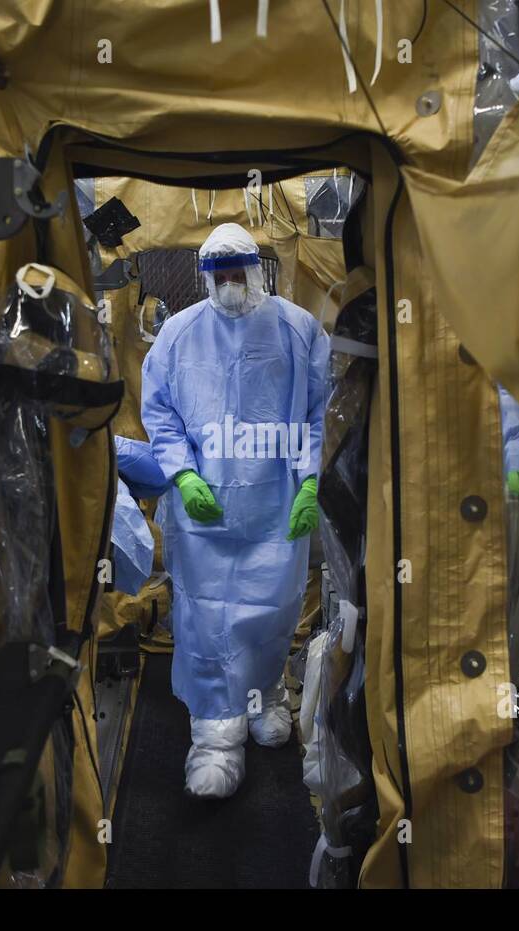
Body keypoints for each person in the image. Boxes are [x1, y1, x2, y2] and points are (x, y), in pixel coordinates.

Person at [141, 223, 329, 799]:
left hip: (276, 508)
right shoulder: (176, 335)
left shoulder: (300, 330)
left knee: (271, 611)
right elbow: (160, 412)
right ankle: (215, 737)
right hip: (204, 518)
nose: (227, 285)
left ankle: (265, 694)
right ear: (204, 278)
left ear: (255, 269)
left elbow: (319, 413)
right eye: (216, 276)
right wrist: (182, 472)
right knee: (205, 619)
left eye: (235, 273)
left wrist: (308, 481)